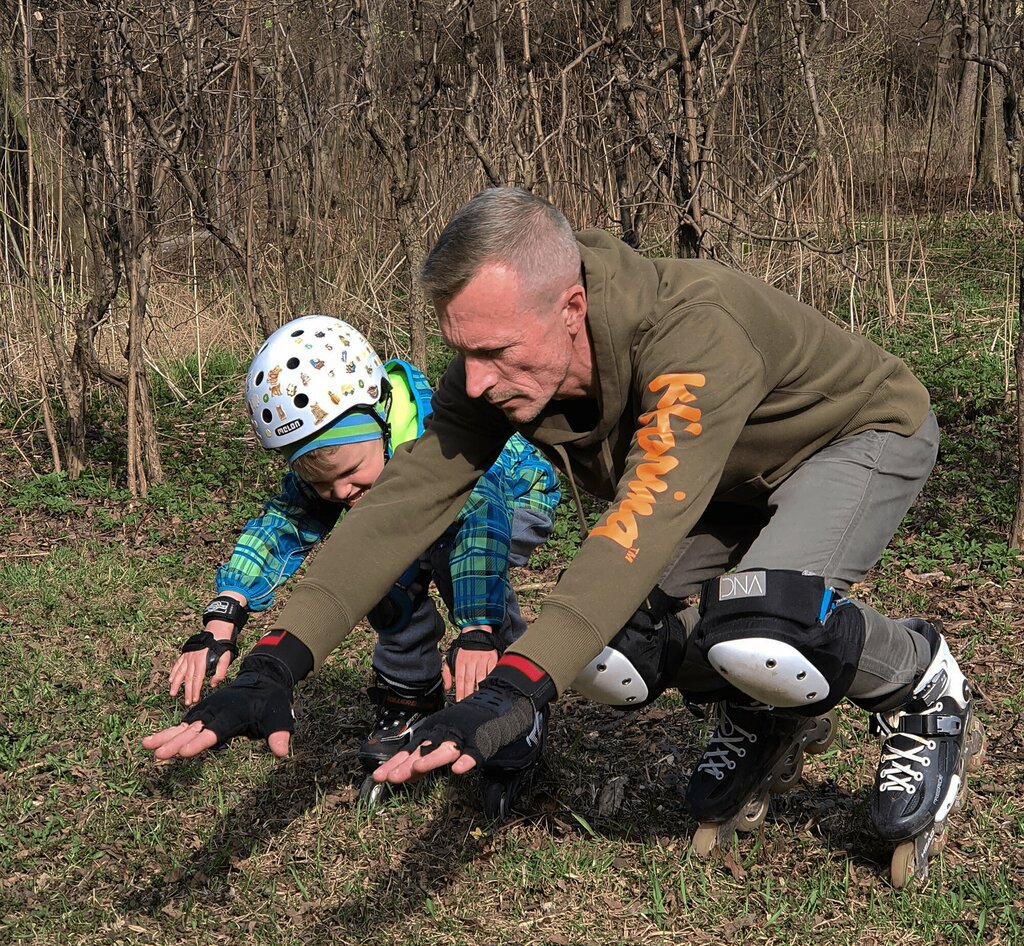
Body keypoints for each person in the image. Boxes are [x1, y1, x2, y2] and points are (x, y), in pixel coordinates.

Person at [144, 190, 984, 885]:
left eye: (495, 353)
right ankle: (765, 712)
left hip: (851, 437)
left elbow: (636, 529)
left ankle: (920, 681)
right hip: (723, 479)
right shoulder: (501, 362)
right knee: (612, 657)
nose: (474, 382)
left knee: (765, 631)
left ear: (571, 307)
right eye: (460, 354)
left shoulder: (691, 333)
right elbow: (402, 503)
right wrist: (276, 660)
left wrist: (509, 693)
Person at [153, 313, 559, 799]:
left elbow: (481, 519)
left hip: (510, 499)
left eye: (347, 473)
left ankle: (513, 700)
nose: (339, 491)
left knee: (461, 566)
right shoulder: (342, 464)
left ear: (381, 417)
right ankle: (411, 696)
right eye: (321, 484)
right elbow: (281, 524)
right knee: (385, 579)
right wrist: (223, 613)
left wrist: (475, 629)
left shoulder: (436, 434)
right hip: (428, 514)